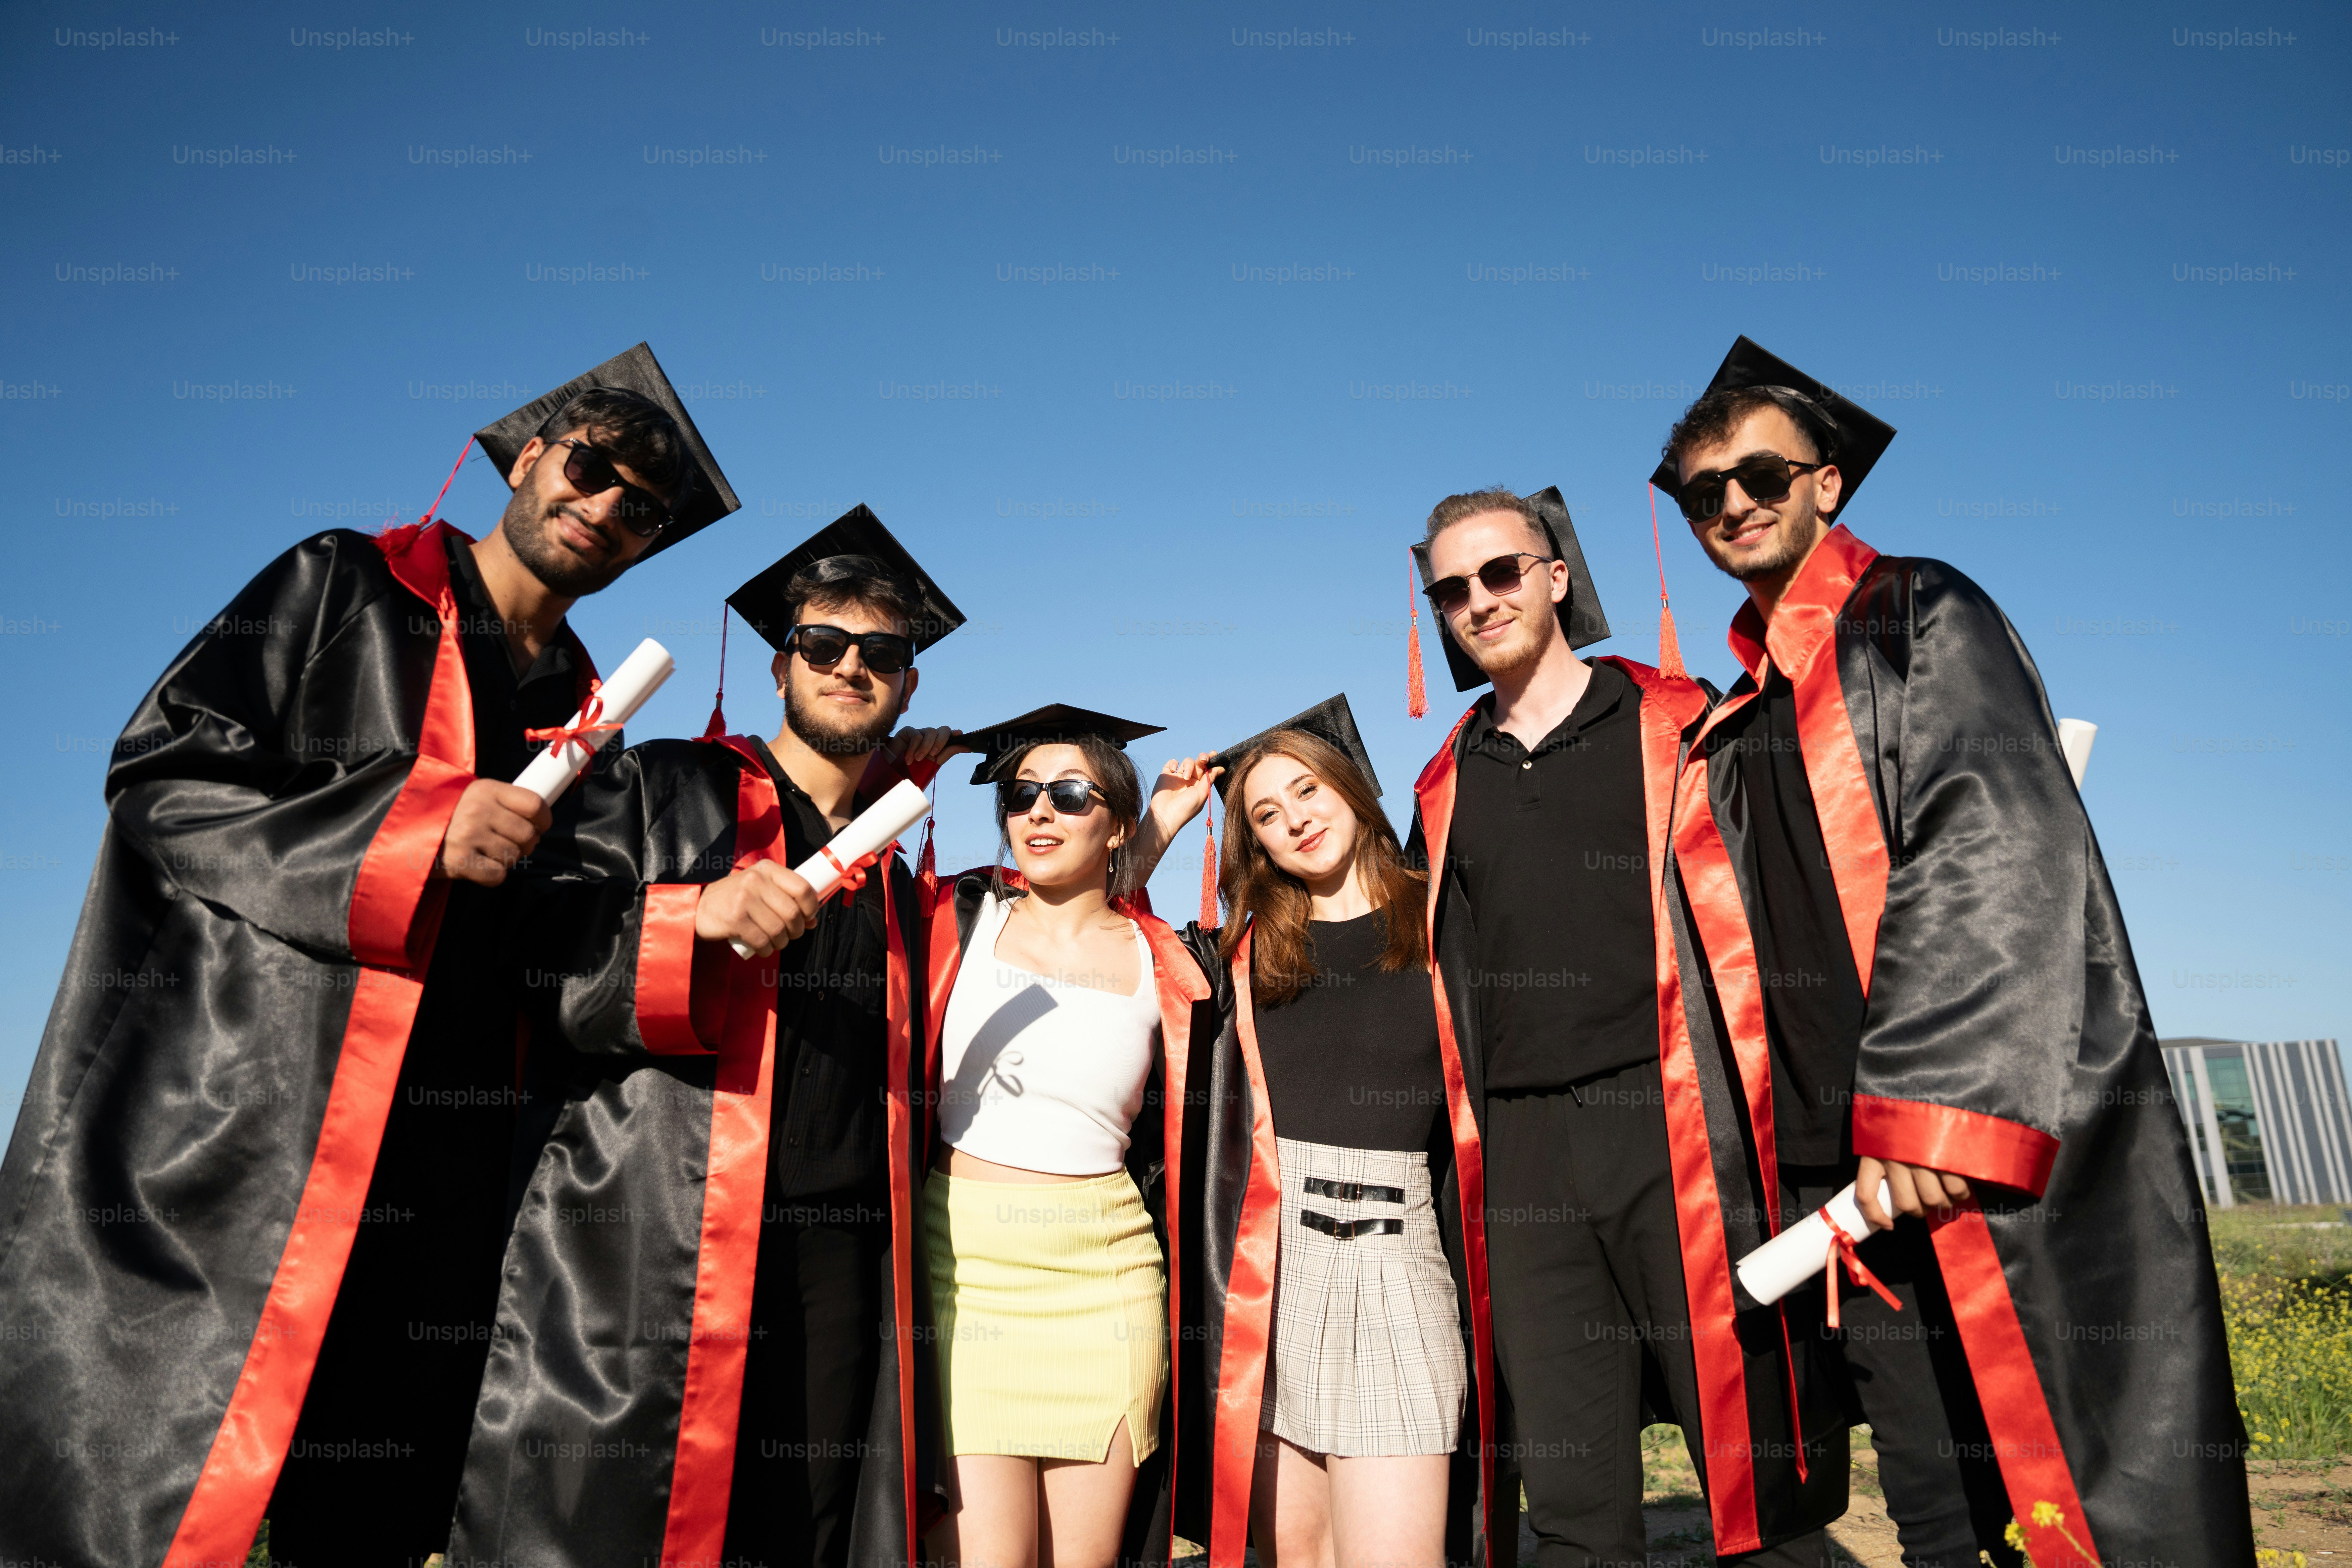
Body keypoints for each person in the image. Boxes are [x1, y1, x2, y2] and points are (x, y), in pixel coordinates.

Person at [0, 344, 738, 1568]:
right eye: (591, 465)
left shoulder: (589, 724)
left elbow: (560, 951)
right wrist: (413, 828)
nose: (606, 506)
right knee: (146, 1494)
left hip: (448, 1170)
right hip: (247, 1136)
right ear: (527, 454)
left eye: (642, 507)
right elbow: (165, 776)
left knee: (372, 1514)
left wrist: (685, 924)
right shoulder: (342, 587)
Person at [1657, 337, 2252, 1568]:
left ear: (1828, 481)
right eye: (1700, 491)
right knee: (1930, 1498)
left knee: (2063, 1482)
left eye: (1760, 474)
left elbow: (1992, 845)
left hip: (1966, 1145)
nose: (1729, 504)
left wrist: (1932, 1107)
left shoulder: (1911, 615)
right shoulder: (1727, 718)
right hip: (1839, 1171)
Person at [448, 507, 961, 1567]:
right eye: (823, 646)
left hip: (840, 1255)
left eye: (882, 654)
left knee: (809, 1526)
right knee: (625, 1524)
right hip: (655, 1234)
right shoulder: (663, 786)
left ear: (909, 684)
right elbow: (533, 955)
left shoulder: (903, 881)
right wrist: (694, 920)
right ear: (780, 669)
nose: (850, 668)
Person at [1405, 486, 1845, 1566]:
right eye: (1451, 589)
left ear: (1557, 576)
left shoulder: (1684, 723)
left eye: (1501, 572)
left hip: (1677, 1120)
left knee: (1747, 1456)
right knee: (1570, 1486)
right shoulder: (1444, 782)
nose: (1478, 601)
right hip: (1521, 1155)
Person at [1146, 694, 1496, 1568]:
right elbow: (1094, 921)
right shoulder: (1240, 955)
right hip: (1275, 1280)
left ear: (1351, 788)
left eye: (1307, 791)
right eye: (1267, 813)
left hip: (1400, 1274)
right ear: (1252, 841)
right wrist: (1160, 823)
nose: (1295, 820)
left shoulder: (1447, 920)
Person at [921, 706, 1215, 1568]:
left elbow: (1103, 897)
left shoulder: (1167, 957)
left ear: (1117, 820)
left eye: (1071, 793)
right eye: (1021, 795)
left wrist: (1158, 821)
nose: (1039, 811)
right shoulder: (957, 916)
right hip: (965, 1275)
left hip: (1105, 1276)